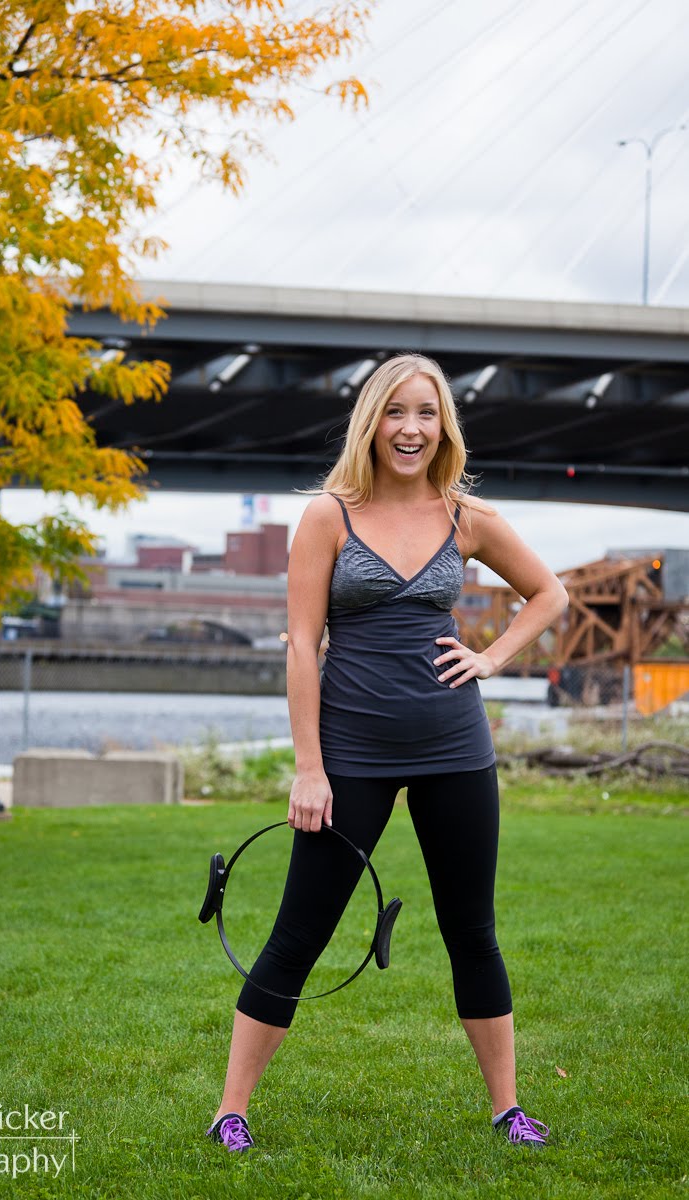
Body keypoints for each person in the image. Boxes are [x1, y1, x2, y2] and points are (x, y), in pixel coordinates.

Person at [205, 353, 568, 1153]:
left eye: (426, 414)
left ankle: (508, 1110)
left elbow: (549, 594)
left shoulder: (463, 517)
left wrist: (492, 657)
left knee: (471, 930)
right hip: (351, 756)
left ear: (443, 426)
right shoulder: (329, 516)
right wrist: (310, 766)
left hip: (454, 749)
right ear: (372, 422)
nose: (411, 429)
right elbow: (301, 645)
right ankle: (230, 1110)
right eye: (396, 413)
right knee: (299, 932)